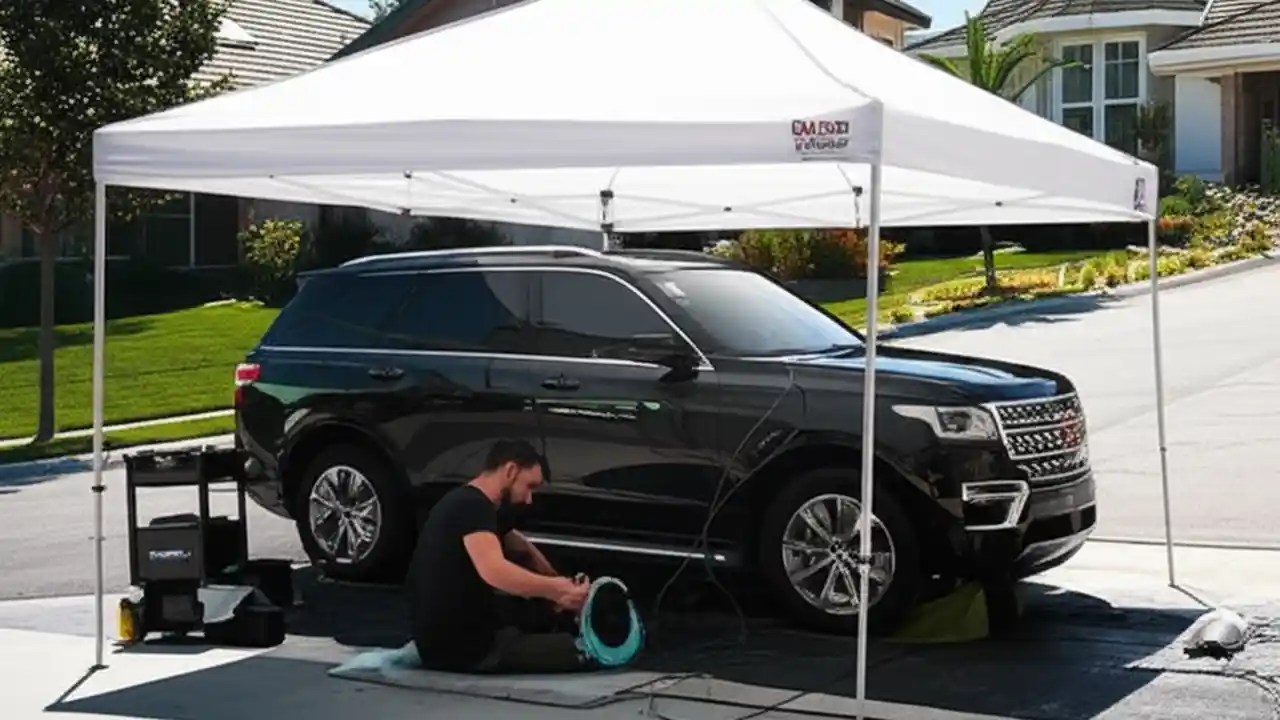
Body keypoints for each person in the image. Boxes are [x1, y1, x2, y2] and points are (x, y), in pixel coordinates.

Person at [408, 439, 593, 674]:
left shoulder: (466, 503)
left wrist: (559, 583)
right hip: (464, 650)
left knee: (539, 615)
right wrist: (556, 590)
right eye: (529, 486)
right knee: (584, 651)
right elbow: (495, 571)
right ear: (510, 471)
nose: (529, 499)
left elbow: (522, 546)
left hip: (445, 641)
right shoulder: (473, 507)